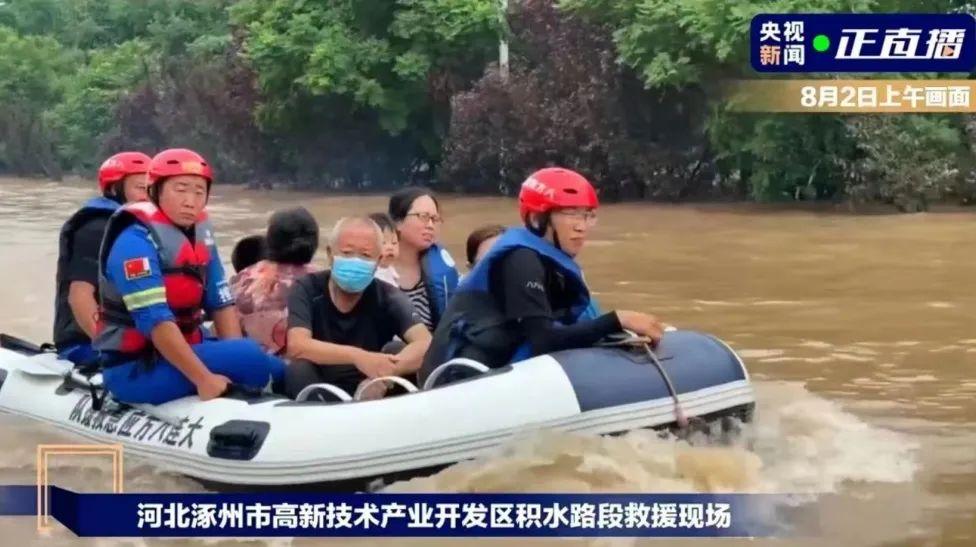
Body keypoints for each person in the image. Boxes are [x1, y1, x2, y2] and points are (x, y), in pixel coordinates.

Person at [420, 167, 665, 381]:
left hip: (500, 370)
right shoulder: (520, 260)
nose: (582, 225)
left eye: (588, 215)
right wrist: (618, 319)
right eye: (571, 214)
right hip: (461, 380)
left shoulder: (549, 263)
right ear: (538, 218)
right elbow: (543, 340)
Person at [94, 148, 285, 405]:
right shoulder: (133, 242)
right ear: (155, 190)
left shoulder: (201, 236)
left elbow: (221, 303)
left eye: (199, 191)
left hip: (189, 348)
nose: (190, 201)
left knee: (276, 365)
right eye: (181, 189)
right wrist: (204, 379)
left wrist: (234, 360)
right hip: (136, 368)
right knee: (249, 355)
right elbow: (155, 321)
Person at [284, 216, 432, 399]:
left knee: (398, 349)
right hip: (320, 381)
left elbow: (425, 342)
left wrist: (385, 373)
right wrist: (358, 356)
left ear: (378, 261)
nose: (355, 261)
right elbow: (297, 345)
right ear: (330, 255)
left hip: (371, 384)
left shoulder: (387, 296)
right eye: (347, 253)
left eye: (365, 255)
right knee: (298, 368)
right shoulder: (306, 288)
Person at [53, 152, 151, 366]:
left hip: (134, 334)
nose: (148, 197)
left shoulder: (146, 228)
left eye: (152, 189)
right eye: (141, 188)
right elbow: (79, 297)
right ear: (115, 188)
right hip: (84, 342)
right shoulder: (96, 228)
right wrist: (110, 348)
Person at [229, 207, 319, 355]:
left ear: (270, 240)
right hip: (305, 366)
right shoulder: (322, 281)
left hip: (252, 364)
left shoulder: (243, 277)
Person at [388, 188, 460, 331]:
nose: (430, 226)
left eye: (435, 219)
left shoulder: (444, 269)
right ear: (398, 222)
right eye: (423, 217)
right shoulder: (376, 269)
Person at [368, 212, 399, 286]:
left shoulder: (392, 272)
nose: (390, 247)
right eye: (383, 243)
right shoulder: (371, 275)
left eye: (394, 242)